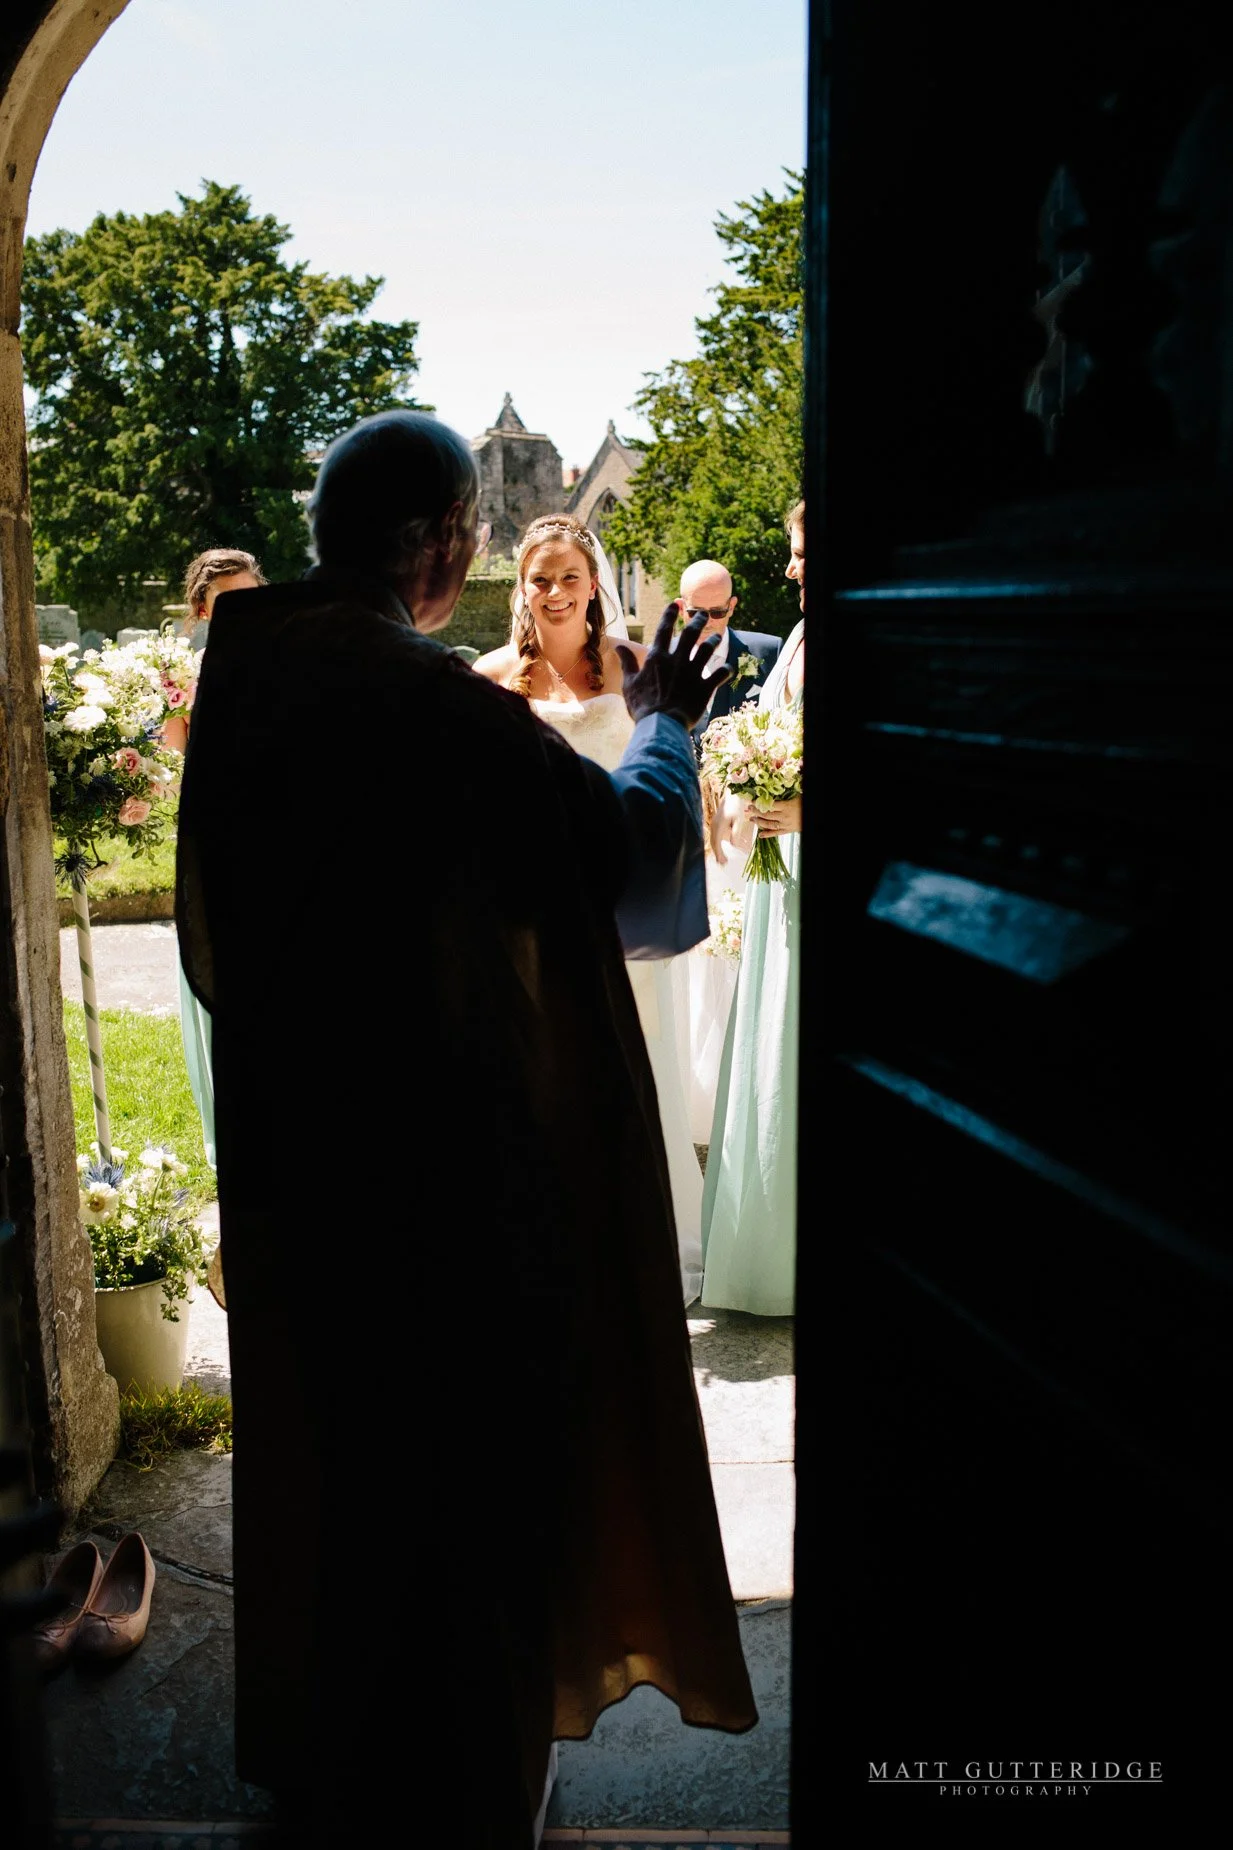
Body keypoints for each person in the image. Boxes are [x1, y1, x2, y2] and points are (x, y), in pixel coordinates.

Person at [175, 412, 756, 1848]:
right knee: (465, 1450)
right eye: (474, 532)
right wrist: (673, 719)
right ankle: (460, 1777)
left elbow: (209, 931)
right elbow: (617, 854)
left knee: (340, 1448)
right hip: (432, 1147)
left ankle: (339, 1743)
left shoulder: (250, 674)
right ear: (443, 542)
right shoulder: (429, 703)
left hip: (299, 1139)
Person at [473, 514, 706, 1304]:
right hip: (538, 910)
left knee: (641, 1065)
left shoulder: (634, 667)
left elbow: (668, 779)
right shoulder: (491, 677)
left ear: (593, 583)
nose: (556, 592)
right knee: (550, 1069)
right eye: (541, 578)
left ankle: (654, 1236)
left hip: (630, 905)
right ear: (520, 587)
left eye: (570, 576)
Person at [699, 503, 805, 1318]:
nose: (793, 568)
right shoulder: (803, 638)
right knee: (771, 1041)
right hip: (777, 869)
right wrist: (744, 789)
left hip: (809, 856)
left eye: (802, 554)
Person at [170, 549, 265, 1173]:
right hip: (218, 852)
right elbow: (183, 765)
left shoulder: (294, 669)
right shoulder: (184, 678)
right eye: (228, 600)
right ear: (203, 610)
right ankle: (229, 1145)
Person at [678, 558, 781, 758]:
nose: (706, 622)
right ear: (681, 608)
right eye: (695, 612)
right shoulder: (657, 658)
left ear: (731, 606)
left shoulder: (768, 652)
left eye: (717, 612)